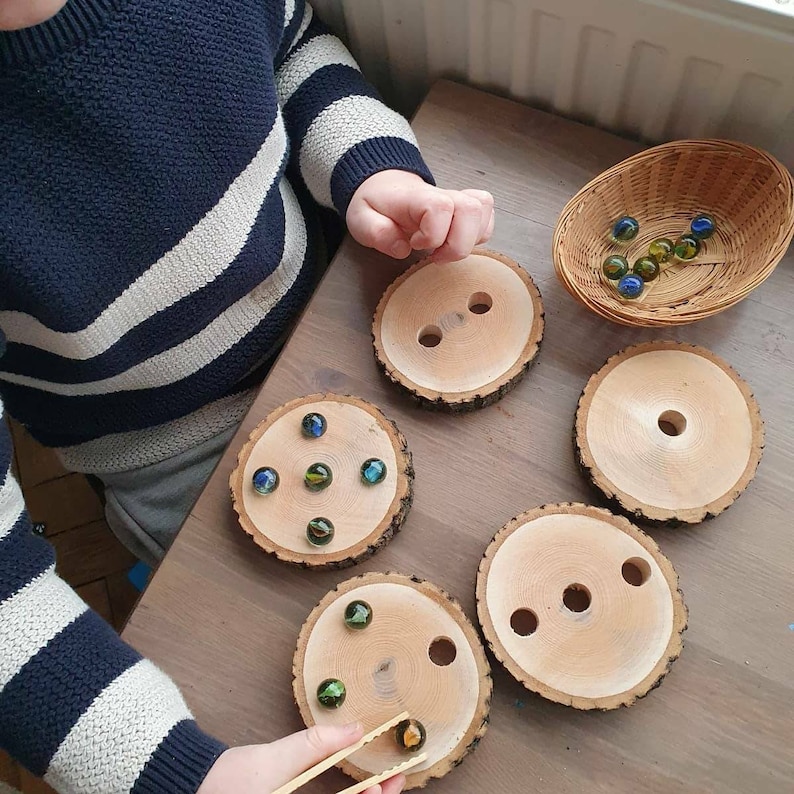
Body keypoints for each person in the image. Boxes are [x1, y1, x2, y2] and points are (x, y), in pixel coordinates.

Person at [0, 0, 494, 792]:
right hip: (174, 452)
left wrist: (374, 168)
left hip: (330, 314)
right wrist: (181, 776)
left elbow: (292, 48)